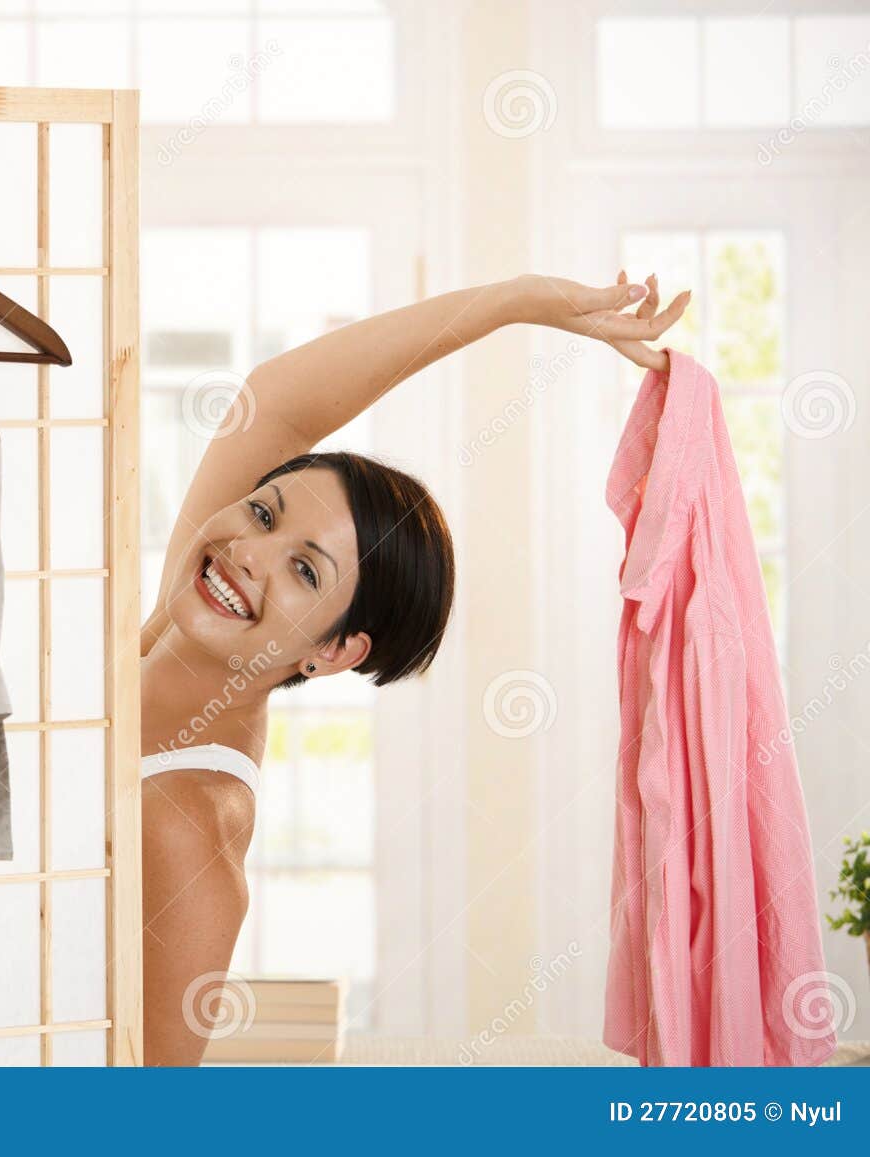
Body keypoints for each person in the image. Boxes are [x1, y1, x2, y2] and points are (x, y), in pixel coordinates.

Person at [138, 271, 690, 1066]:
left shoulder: (187, 821)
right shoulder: (182, 615)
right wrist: (518, 302)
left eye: (306, 571)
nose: (248, 554)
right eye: (262, 511)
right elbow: (280, 403)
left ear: (332, 650)